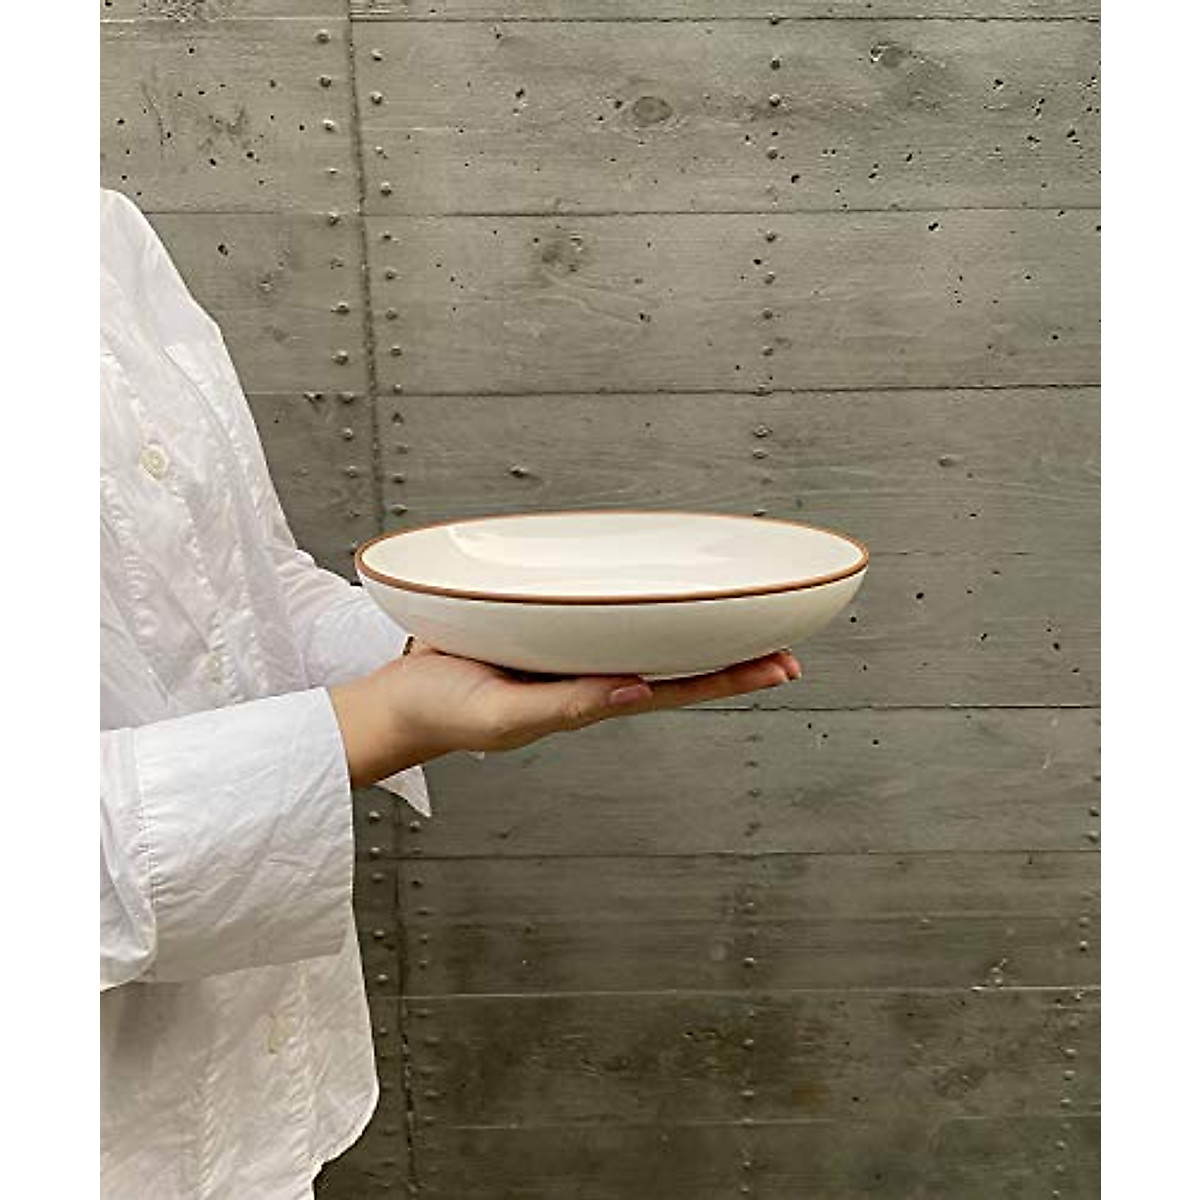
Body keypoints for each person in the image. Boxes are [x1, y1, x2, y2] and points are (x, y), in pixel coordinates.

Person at [99, 187, 802, 1197]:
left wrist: (474, 640)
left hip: (243, 1098)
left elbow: (249, 580)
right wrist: (383, 720)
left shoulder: (99, 229)